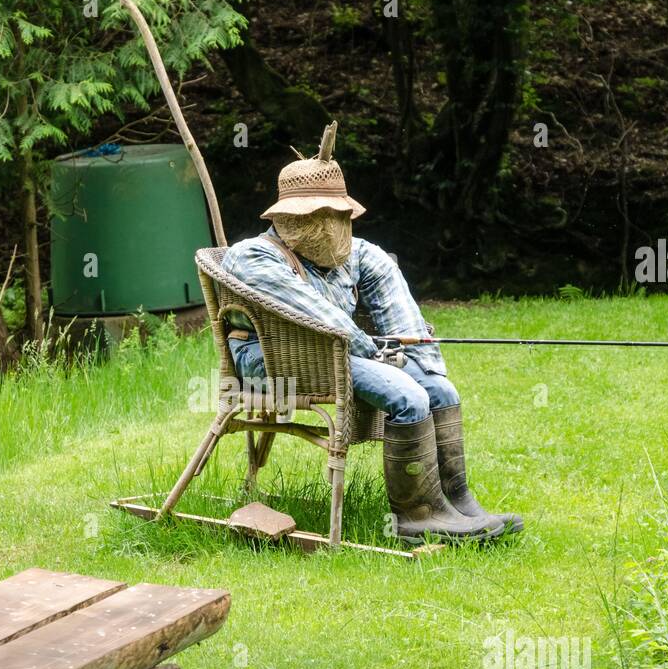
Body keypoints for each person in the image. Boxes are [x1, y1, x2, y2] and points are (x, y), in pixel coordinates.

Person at [220, 123, 522, 542]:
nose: (335, 229)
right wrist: (378, 356)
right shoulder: (252, 257)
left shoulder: (356, 253)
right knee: (406, 395)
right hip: (270, 360)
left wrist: (423, 364)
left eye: (341, 218)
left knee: (438, 392)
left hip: (344, 355)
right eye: (325, 218)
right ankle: (416, 517)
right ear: (293, 219)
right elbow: (321, 316)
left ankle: (457, 501)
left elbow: (400, 315)